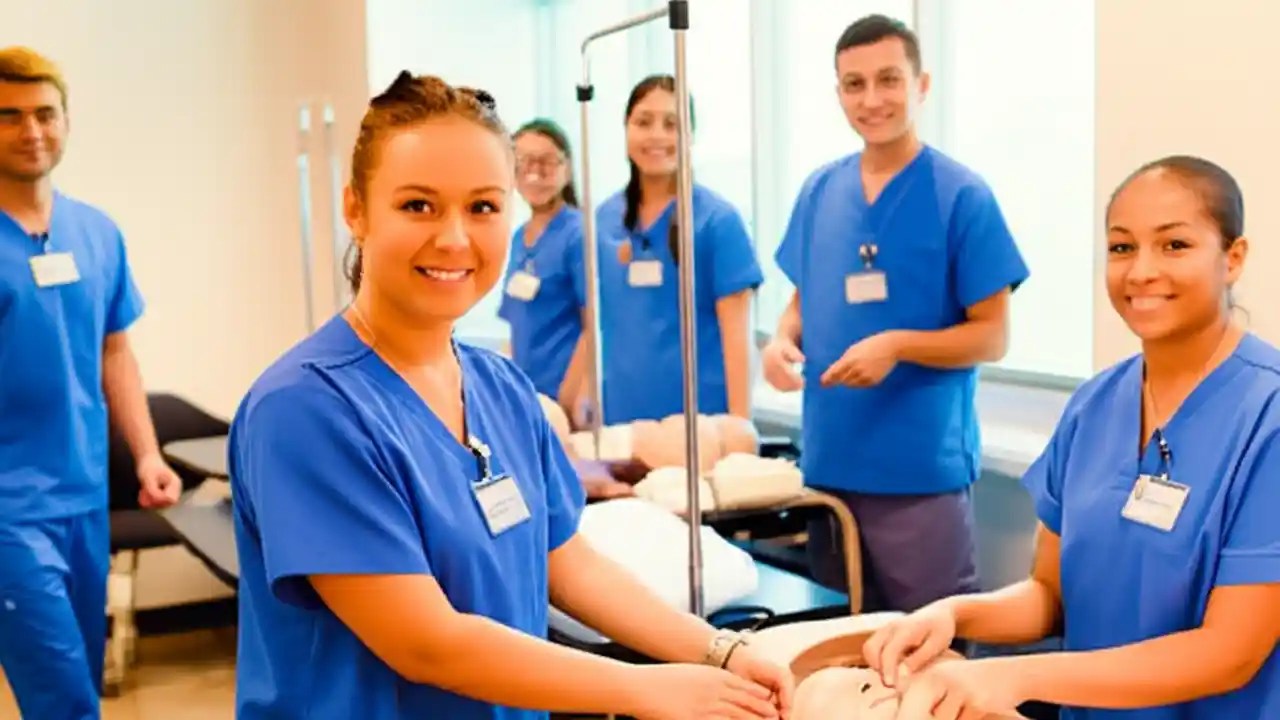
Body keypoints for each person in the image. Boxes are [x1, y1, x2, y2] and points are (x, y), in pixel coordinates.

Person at [227, 70, 793, 720]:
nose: (454, 238)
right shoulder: (306, 410)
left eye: (483, 207)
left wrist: (718, 650)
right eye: (418, 206)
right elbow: (426, 644)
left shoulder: (502, 390)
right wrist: (647, 689)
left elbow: (570, 564)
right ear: (356, 210)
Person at [862, 155, 1280, 719]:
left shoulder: (1266, 416)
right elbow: (1050, 596)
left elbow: (1230, 653)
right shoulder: (1094, 407)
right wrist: (953, 615)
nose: (1141, 271)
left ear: (1233, 257)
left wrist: (1015, 675)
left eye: (1174, 245)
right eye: (1122, 247)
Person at [762, 15, 1029, 614]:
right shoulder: (819, 192)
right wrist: (780, 341)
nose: (872, 99)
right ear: (838, 94)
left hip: (917, 470)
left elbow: (992, 336)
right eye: (854, 85)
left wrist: (898, 345)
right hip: (830, 463)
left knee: (929, 642)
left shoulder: (961, 196)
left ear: (921, 85)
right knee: (839, 637)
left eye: (888, 80)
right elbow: (803, 300)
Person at [0, 47, 182, 718]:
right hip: (9, 511)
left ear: (66, 121)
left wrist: (148, 455)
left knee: (82, 679)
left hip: (83, 498)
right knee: (65, 699)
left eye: (45, 113)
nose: (31, 130)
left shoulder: (97, 233)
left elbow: (116, 354)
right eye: (9, 115)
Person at [594, 74, 763, 425]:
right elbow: (596, 323)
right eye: (643, 122)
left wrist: (740, 429)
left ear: (691, 136)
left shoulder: (717, 221)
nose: (657, 135)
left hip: (701, 427)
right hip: (621, 422)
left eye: (672, 124)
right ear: (626, 130)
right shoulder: (605, 219)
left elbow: (737, 341)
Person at [498, 118, 587, 413]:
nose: (535, 172)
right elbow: (516, 324)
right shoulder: (518, 238)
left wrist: (568, 401)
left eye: (547, 161)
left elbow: (594, 328)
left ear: (567, 168)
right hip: (527, 396)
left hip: (563, 398)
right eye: (523, 161)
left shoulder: (578, 234)